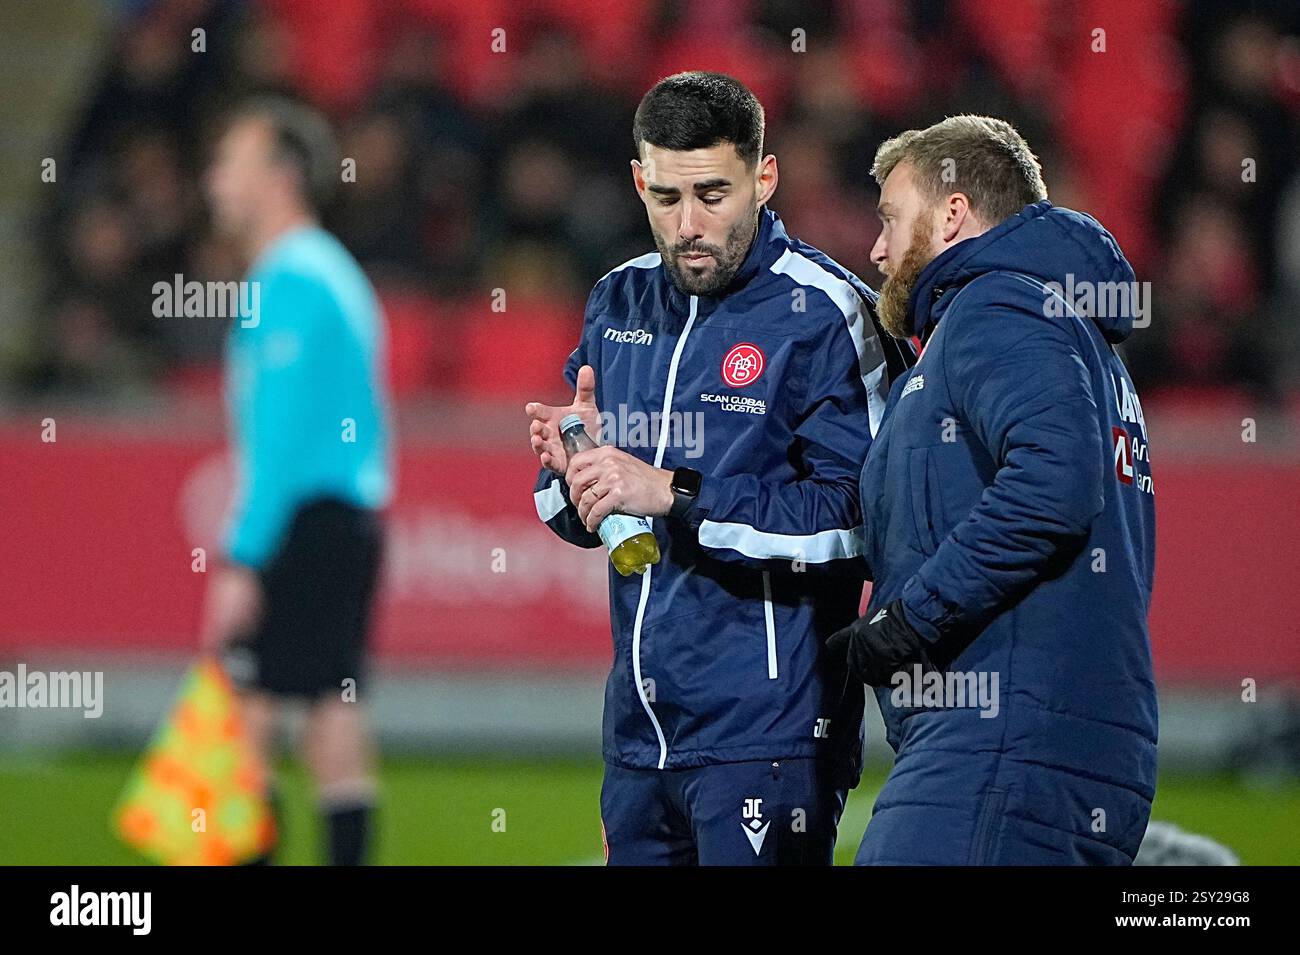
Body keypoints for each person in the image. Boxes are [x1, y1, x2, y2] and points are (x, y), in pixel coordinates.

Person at [526, 71, 911, 866]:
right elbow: (577, 513)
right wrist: (574, 475)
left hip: (769, 737)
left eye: (713, 194)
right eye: (666, 198)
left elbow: (864, 521)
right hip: (638, 736)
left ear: (764, 178)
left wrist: (673, 492)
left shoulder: (828, 314)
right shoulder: (617, 300)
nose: (689, 224)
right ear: (639, 181)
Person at [828, 115, 1157, 865]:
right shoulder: (1065, 328)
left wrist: (910, 619)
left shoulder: (996, 307)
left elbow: (1052, 485)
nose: (877, 249)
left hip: (1002, 738)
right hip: (1046, 736)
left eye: (890, 217)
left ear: (951, 213)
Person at [200, 97, 393, 865]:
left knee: (252, 718)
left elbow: (275, 441)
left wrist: (244, 557)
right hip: (340, 516)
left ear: (279, 176)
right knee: (325, 710)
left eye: (230, 163)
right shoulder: (322, 271)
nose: (214, 181)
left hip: (306, 520)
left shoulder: (295, 280)